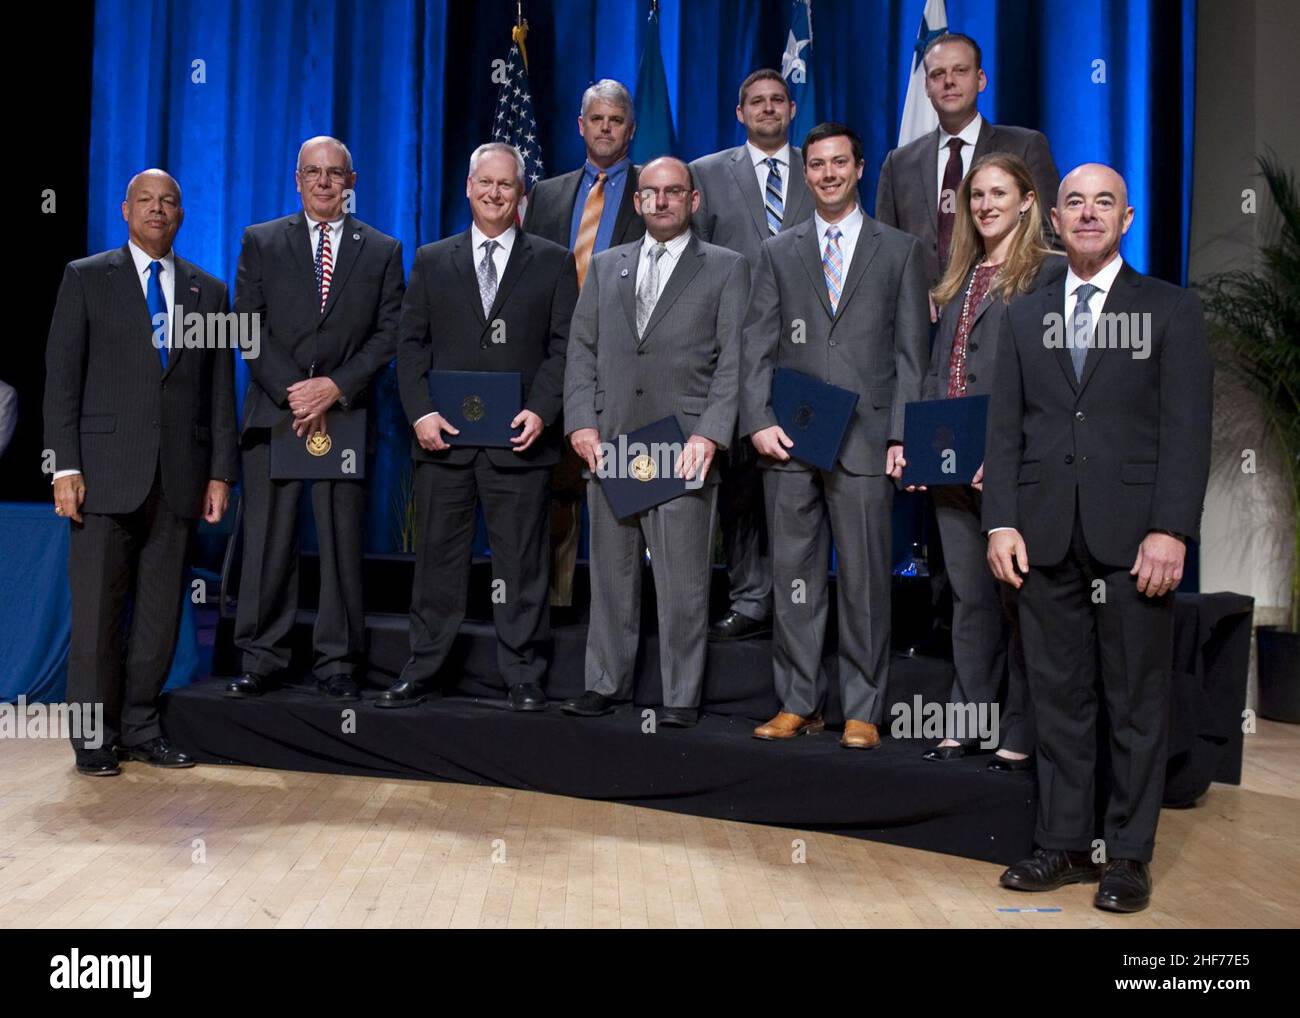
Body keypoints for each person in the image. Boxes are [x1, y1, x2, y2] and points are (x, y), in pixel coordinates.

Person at [984, 163, 1213, 913]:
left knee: (1136, 703)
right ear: (1053, 219)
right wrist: (1002, 520)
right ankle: (1066, 845)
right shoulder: (1023, 313)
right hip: (1044, 536)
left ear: (1128, 217)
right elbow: (1007, 430)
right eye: (1075, 203)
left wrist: (1171, 529)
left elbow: (1187, 433)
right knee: (1058, 699)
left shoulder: (1172, 311)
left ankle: (1128, 857)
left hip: (1132, 540)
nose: (1088, 214)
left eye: (1103, 203)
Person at [741, 123, 929, 749]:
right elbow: (757, 346)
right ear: (805, 172)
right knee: (792, 574)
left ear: (858, 166)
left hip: (868, 440)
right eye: (816, 164)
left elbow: (911, 357)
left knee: (866, 579)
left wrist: (903, 435)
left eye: (838, 163)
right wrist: (759, 420)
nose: (827, 174)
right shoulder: (778, 250)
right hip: (792, 441)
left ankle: (863, 709)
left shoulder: (899, 250)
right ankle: (798, 701)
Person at [44, 169, 237, 775]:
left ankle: (141, 728)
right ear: (126, 209)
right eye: (146, 201)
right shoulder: (85, 278)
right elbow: (62, 381)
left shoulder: (209, 291)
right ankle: (91, 739)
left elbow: (219, 395)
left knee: (159, 615)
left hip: (179, 477)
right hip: (101, 477)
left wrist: (220, 474)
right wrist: (64, 466)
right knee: (99, 614)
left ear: (182, 213)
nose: (158, 210)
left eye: (169, 201)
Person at [382, 142, 578, 711]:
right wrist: (419, 412)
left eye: (506, 186)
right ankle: (423, 668)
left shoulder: (552, 260)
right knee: (436, 564)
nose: (495, 194)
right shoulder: (431, 259)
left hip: (520, 443)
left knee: (522, 564)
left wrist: (542, 410)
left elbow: (565, 348)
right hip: (445, 444)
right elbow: (409, 345)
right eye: (485, 184)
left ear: (521, 194)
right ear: (468, 188)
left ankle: (522, 673)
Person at [561, 157, 749, 727]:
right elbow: (582, 350)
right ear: (637, 201)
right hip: (612, 441)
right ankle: (605, 683)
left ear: (693, 201)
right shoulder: (607, 264)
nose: (661, 201)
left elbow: (733, 363)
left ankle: (679, 696)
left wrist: (712, 434)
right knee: (612, 578)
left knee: (683, 585)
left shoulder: (725, 267)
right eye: (651, 193)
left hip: (683, 444)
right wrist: (580, 422)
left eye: (673, 193)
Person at [226, 136, 405, 702]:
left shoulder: (381, 249)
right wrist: (293, 392)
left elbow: (390, 333)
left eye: (335, 173)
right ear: (296, 179)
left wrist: (335, 386)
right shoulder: (261, 241)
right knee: (268, 543)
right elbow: (245, 327)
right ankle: (261, 657)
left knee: (341, 544)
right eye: (313, 172)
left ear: (352, 181)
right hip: (276, 410)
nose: (324, 182)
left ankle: (337, 663)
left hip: (344, 413)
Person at [909, 153, 1064, 770]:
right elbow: (936, 369)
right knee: (969, 600)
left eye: (999, 193)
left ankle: (1021, 732)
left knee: (1019, 601)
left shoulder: (1048, 276)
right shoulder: (960, 275)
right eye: (976, 196)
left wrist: (1003, 456)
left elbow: (1052, 384)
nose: (986, 205)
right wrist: (917, 446)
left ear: (1028, 201)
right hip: (950, 464)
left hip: (1010, 467)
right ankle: (966, 721)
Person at [690, 68, 815, 643]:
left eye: (777, 101)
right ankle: (750, 597)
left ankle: (801, 602)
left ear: (792, 109)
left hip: (809, 350)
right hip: (734, 351)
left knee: (800, 482)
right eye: (756, 102)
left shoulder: (821, 167)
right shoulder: (706, 173)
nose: (767, 109)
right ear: (739, 113)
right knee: (741, 486)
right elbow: (695, 262)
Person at [523, 79, 645, 611]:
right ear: (581, 125)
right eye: (596, 119)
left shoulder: (655, 190)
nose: (605, 128)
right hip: (554, 362)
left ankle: (623, 614)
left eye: (615, 120)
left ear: (631, 128)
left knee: (627, 494)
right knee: (558, 490)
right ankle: (557, 604)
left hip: (628, 366)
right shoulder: (547, 193)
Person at [875, 32, 1059, 294]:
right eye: (938, 74)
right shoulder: (899, 163)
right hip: (920, 318)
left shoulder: (1026, 146)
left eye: (960, 70)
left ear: (981, 79)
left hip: (1005, 308)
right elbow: (886, 247)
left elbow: (1051, 236)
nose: (949, 81)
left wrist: (1016, 290)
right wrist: (909, 292)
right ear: (926, 86)